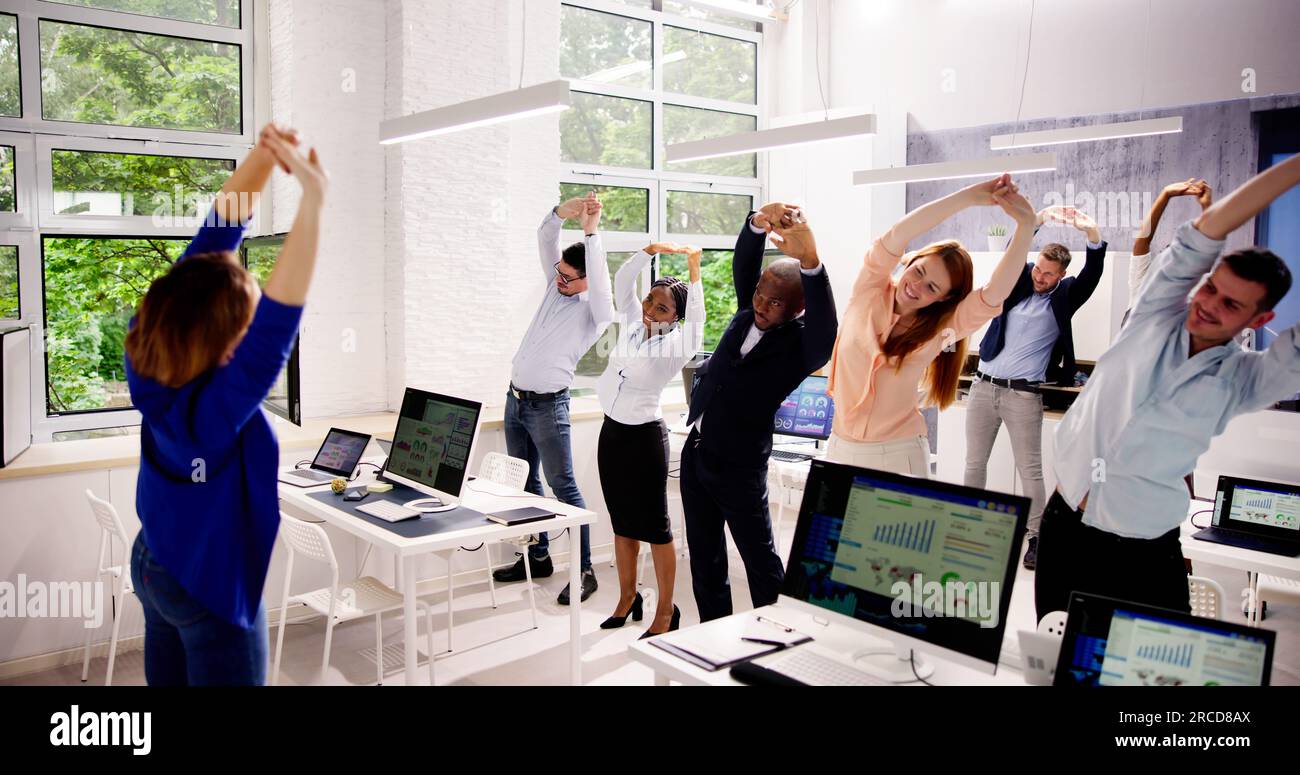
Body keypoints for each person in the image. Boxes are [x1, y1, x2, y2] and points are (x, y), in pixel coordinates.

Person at [1037, 152, 1300, 620]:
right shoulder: (1155, 312)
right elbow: (1206, 233)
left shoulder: (1245, 381)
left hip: (1142, 551)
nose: (1210, 305)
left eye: (1232, 304)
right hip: (1066, 527)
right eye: (1211, 288)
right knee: (1057, 660)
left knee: (1149, 669)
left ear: (1260, 320)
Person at [125, 125, 326, 685]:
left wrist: (262, 158)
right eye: (250, 306)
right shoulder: (213, 417)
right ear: (230, 345)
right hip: (207, 585)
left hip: (154, 558)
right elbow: (277, 327)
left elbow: (214, 241)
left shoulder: (151, 354)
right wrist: (313, 199)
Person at [682, 203, 838, 623]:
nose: (762, 304)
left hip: (739, 465)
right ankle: (712, 633)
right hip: (696, 452)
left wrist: (810, 263)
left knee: (759, 560)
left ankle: (780, 633)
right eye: (758, 294)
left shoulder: (803, 346)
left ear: (796, 310)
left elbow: (827, 324)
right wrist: (757, 224)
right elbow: (746, 263)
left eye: (774, 302)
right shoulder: (746, 311)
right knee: (705, 558)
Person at [825, 174, 1038, 476]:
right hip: (839, 448)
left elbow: (994, 294)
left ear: (943, 298)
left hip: (897, 454)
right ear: (910, 261)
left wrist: (1026, 227)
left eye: (932, 288)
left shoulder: (941, 329)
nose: (916, 286)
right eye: (919, 271)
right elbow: (901, 232)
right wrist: (967, 197)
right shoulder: (869, 288)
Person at [965, 205, 1107, 570]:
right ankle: (966, 524)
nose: (1040, 277)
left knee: (1030, 470)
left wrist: (1092, 234)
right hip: (983, 387)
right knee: (974, 464)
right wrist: (1037, 221)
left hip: (1023, 394)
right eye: (1038, 269)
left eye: (1048, 273)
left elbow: (1093, 272)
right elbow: (1016, 254)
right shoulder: (1019, 282)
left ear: (1062, 275)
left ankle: (1035, 538)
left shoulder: (1065, 296)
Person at [494, 193, 613, 605]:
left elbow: (598, 275)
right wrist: (566, 211)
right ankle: (538, 556)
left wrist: (591, 230)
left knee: (564, 487)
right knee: (527, 482)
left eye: (568, 278)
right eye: (559, 273)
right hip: (515, 402)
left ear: (588, 282)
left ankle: (584, 571)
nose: (559, 281)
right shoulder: (554, 286)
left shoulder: (595, 311)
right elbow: (545, 237)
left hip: (548, 407)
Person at [596, 242, 704, 638]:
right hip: (612, 433)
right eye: (650, 300)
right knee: (622, 523)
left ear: (675, 317)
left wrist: (695, 272)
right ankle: (627, 599)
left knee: (656, 528)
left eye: (662, 308)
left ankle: (665, 610)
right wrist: (647, 251)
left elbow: (698, 322)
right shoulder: (630, 324)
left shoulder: (677, 345)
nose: (649, 310)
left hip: (644, 440)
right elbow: (623, 281)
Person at [1127, 177, 1213, 325]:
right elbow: (1143, 240)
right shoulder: (1144, 283)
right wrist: (1165, 194)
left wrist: (1207, 207)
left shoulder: (1195, 291)